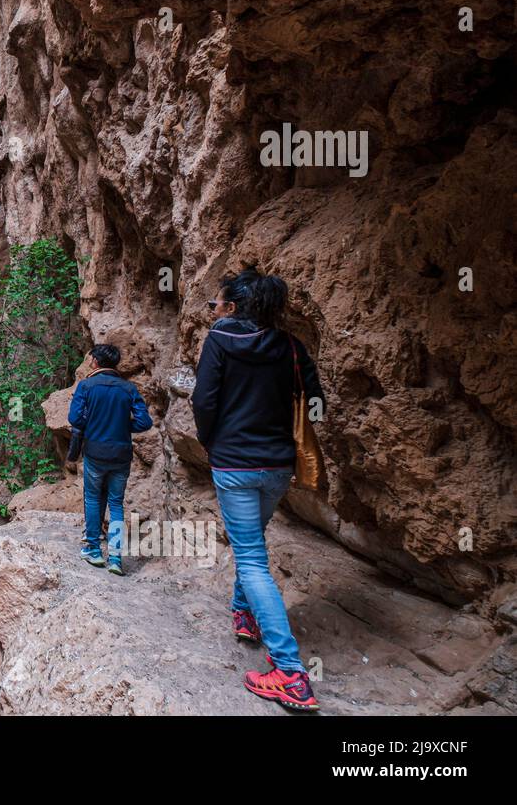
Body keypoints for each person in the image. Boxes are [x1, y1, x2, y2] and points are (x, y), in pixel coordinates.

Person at [192, 267, 325, 711]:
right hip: (277, 465)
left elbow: (204, 400)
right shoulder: (290, 347)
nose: (214, 309)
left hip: (234, 462)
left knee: (250, 558)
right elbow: (314, 400)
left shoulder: (219, 341)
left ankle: (290, 672)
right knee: (254, 547)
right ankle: (244, 614)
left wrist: (213, 442)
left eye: (217, 303)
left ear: (231, 307)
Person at [67, 344, 152, 575]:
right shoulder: (128, 388)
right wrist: (123, 426)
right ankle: (115, 558)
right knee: (116, 503)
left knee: (93, 498)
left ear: (95, 361)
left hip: (95, 451)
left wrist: (94, 423)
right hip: (121, 453)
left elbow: (74, 418)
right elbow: (145, 422)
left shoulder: (86, 386)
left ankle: (94, 550)